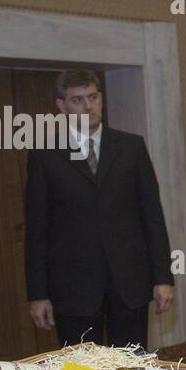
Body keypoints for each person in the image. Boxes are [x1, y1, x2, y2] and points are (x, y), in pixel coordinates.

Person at [24, 69, 174, 350]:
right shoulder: (45, 155)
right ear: (61, 106)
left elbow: (152, 218)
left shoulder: (131, 147)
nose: (88, 106)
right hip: (73, 288)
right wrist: (38, 294)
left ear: (101, 99)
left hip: (129, 284)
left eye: (92, 97)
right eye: (78, 100)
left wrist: (163, 278)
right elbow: (37, 230)